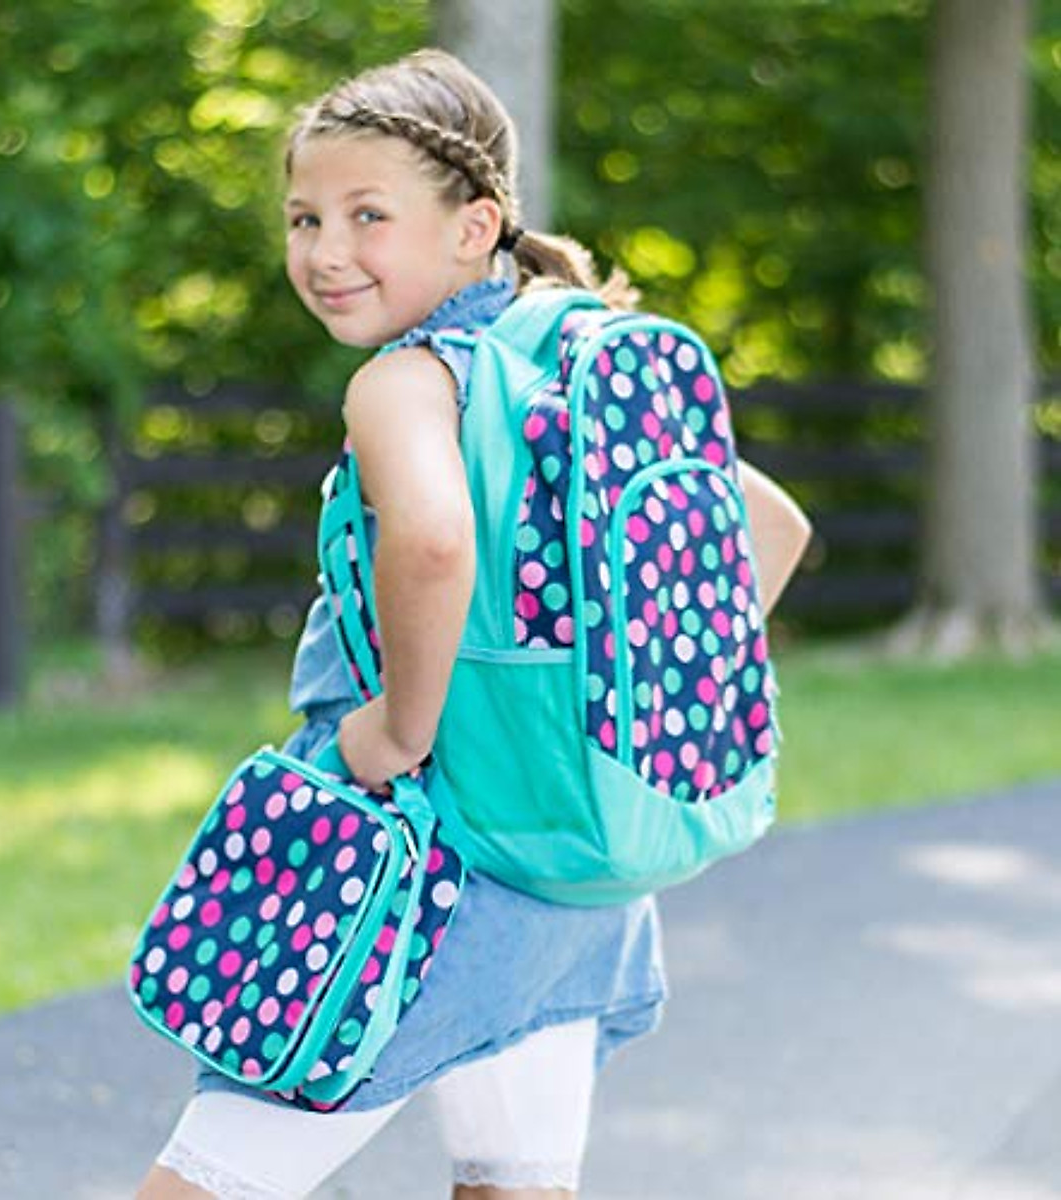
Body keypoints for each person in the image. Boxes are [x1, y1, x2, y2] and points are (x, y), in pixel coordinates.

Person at [137, 48, 811, 1200]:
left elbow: (437, 538)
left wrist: (399, 730)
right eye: (305, 217)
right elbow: (774, 527)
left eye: (367, 215)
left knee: (217, 1174)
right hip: (573, 868)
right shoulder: (578, 354)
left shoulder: (409, 379)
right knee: (517, 1180)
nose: (325, 250)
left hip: (418, 857)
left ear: (473, 225)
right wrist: (622, 694)